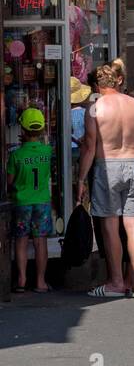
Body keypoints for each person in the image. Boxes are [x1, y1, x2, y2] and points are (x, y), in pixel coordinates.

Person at [77, 59, 134, 298]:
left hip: (108, 167)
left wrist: (81, 179)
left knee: (110, 225)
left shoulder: (95, 108)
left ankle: (116, 281)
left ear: (97, 85)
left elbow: (90, 146)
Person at [9, 108, 54, 294]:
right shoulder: (48, 151)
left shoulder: (16, 155)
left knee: (20, 241)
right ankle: (41, 282)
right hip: (42, 201)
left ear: (23, 130)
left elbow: (9, 181)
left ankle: (21, 279)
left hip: (21, 201)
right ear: (42, 129)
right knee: (40, 241)